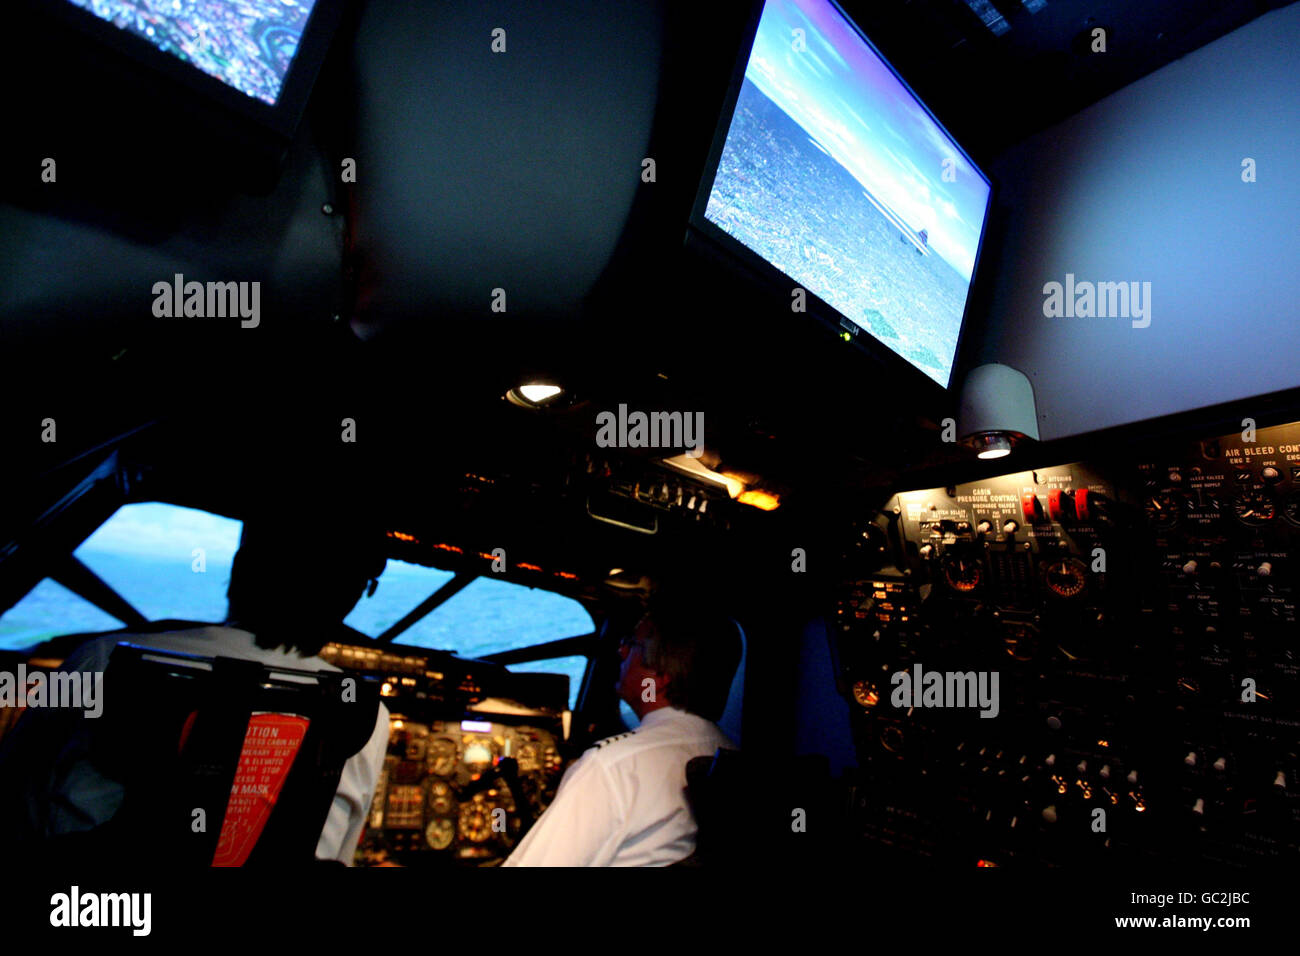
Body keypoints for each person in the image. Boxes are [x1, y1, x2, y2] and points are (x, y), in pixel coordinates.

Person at [0, 508, 391, 865]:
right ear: (350, 599)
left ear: (241, 570)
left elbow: (13, 790)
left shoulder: (103, 659)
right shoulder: (365, 714)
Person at [503, 590, 742, 866]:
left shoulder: (613, 768)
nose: (621, 650)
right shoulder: (731, 757)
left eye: (632, 643)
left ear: (660, 678)